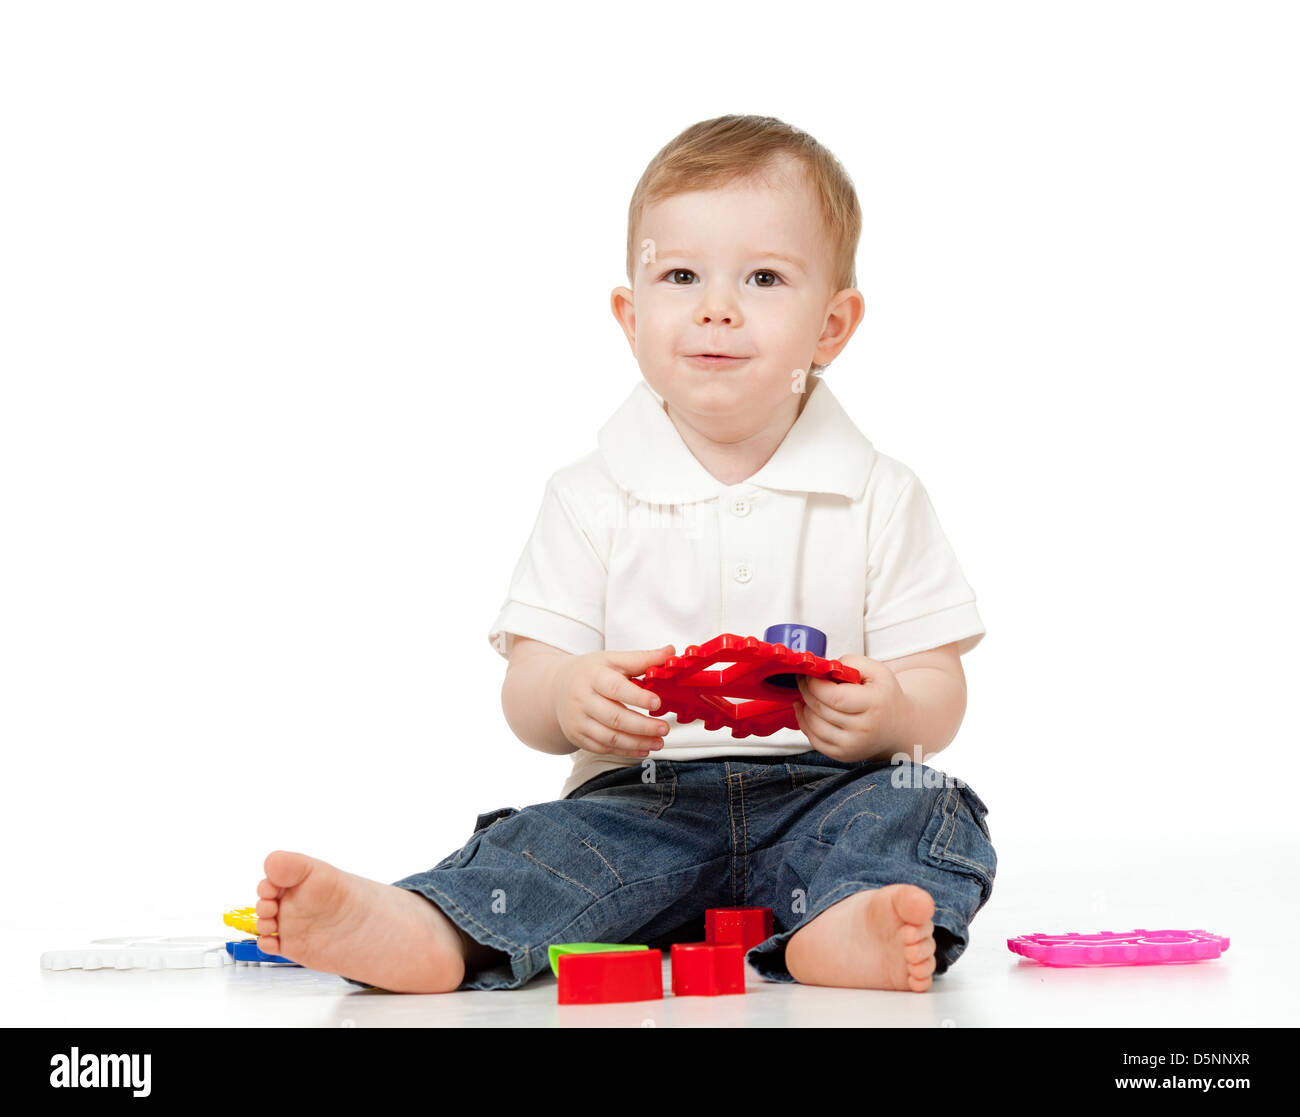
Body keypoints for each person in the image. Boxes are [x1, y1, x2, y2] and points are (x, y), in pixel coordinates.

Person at [253, 114, 997, 994]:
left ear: (832, 326)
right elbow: (527, 695)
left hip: (825, 794)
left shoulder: (880, 494)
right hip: (642, 801)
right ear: (630, 314)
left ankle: (845, 921)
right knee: (547, 846)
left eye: (763, 277)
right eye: (680, 275)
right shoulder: (589, 494)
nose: (716, 305)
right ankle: (432, 926)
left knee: (925, 803)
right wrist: (570, 695)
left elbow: (939, 692)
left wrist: (891, 714)